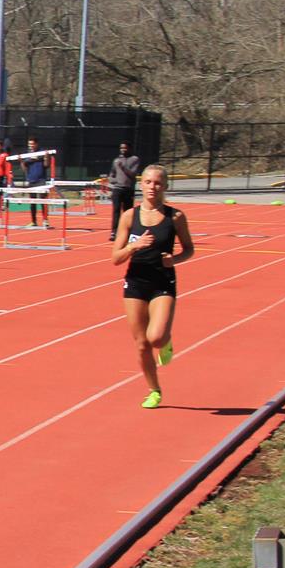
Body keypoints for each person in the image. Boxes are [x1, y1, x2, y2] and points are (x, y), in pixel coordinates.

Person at [109, 164, 194, 409]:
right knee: (141, 344)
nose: (152, 187)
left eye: (157, 183)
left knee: (155, 337)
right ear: (141, 184)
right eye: (148, 182)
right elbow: (115, 258)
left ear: (165, 186)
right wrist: (133, 246)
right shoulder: (129, 217)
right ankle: (154, 390)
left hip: (162, 281)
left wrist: (174, 259)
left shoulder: (175, 217)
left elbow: (189, 249)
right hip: (136, 282)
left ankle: (166, 342)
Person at [107, 142, 140, 236]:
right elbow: (111, 175)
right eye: (121, 148)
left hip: (128, 189)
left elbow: (133, 174)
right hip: (117, 189)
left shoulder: (134, 159)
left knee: (128, 211)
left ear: (129, 149)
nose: (123, 150)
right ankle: (114, 231)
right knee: (116, 210)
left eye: (125, 148)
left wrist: (123, 168)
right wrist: (115, 180)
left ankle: (127, 231)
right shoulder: (116, 160)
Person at [21, 137, 50, 226]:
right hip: (31, 180)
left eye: (32, 144)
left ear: (36, 144)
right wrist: (21, 161)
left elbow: (46, 165)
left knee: (43, 200)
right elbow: (25, 169)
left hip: (41, 180)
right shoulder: (27, 154)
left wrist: (46, 158)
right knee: (32, 202)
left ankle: (45, 220)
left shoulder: (42, 152)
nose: (31, 146)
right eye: (29, 144)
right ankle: (34, 221)